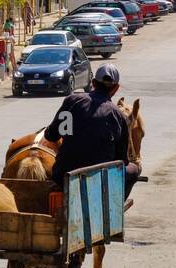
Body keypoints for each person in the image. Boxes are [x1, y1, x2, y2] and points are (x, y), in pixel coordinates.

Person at [45, 64, 142, 196]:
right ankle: (115, 204)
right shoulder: (118, 116)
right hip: (101, 179)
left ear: (93, 83)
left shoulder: (71, 101)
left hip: (63, 176)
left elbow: (51, 136)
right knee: (134, 170)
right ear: (116, 88)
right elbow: (121, 160)